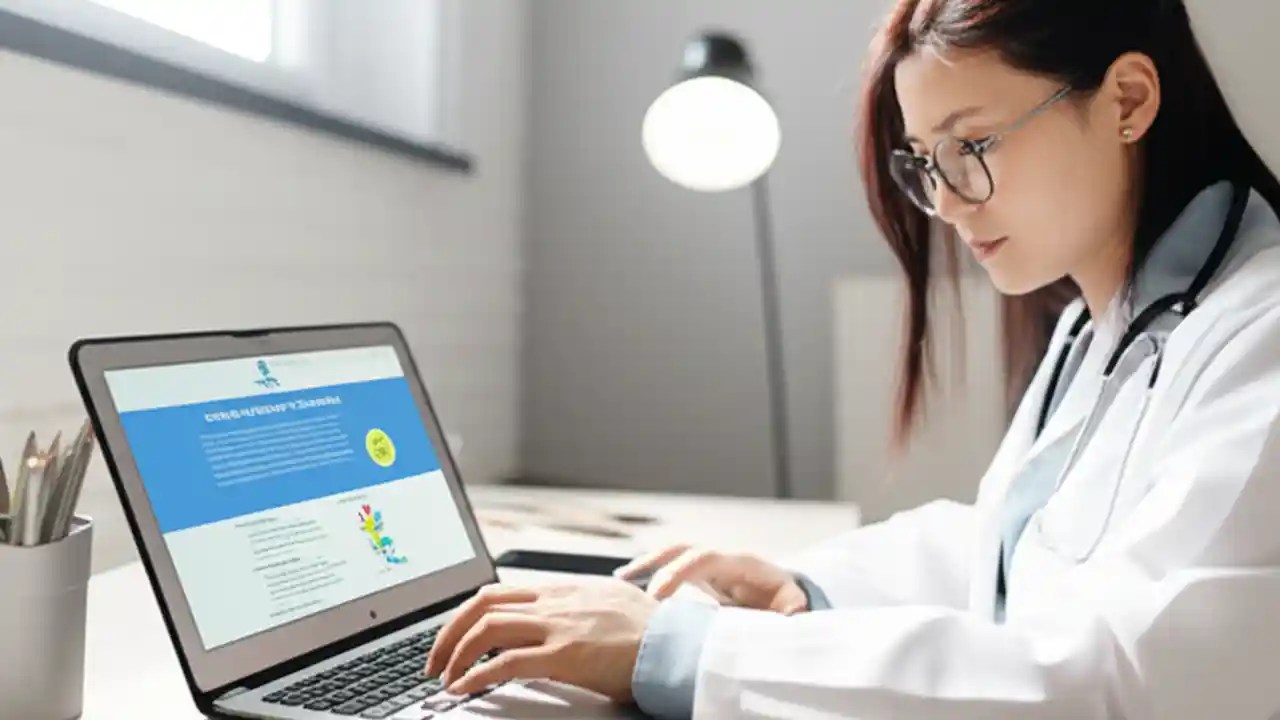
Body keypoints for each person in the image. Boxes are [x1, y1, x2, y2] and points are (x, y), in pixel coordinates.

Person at [425, 0, 1280, 716]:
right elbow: (1013, 553)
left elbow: (1124, 681)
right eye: (926, 162)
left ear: (1127, 100)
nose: (944, 204)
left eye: (972, 147)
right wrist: (807, 589)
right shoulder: (1105, 324)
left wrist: (683, 650)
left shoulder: (1259, 333)